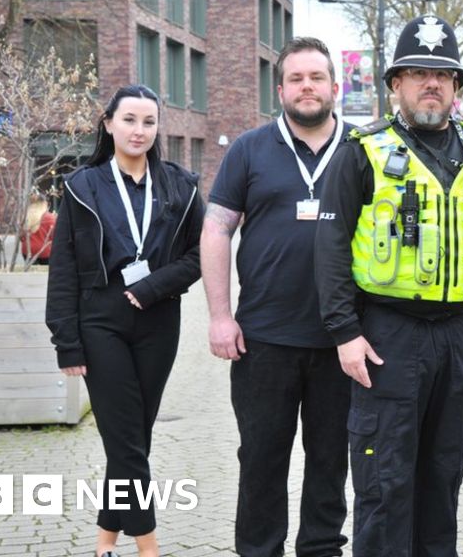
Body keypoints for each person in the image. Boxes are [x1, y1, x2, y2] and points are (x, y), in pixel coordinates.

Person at [314, 15, 463, 557]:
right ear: (394, 85)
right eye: (416, 73)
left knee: (444, 473)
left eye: (442, 74)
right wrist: (343, 331)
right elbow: (331, 248)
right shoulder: (362, 152)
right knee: (384, 480)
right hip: (388, 335)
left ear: (456, 86)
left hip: (461, 334)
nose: (430, 83)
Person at [200, 37, 353, 557]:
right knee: (262, 460)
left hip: (343, 341)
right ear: (280, 89)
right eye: (296, 79)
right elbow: (217, 230)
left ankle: (321, 550)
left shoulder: (364, 149)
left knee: (331, 460)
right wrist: (220, 316)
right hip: (264, 339)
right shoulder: (249, 149)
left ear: (335, 85)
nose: (306, 87)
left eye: (316, 77)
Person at [45, 84, 204, 557]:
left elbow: (201, 256)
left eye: (149, 122)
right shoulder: (82, 186)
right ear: (109, 123)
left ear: (158, 128)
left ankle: (103, 545)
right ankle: (149, 548)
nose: (139, 130)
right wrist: (66, 343)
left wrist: (154, 287)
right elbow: (64, 270)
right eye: (129, 120)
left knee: (133, 438)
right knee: (127, 441)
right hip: (101, 324)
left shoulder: (181, 185)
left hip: (159, 321)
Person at [21, 191, 57, 265]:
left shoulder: (25, 217)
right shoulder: (49, 218)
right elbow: (55, 237)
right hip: (45, 252)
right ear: (45, 204)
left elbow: (21, 237)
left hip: (27, 251)